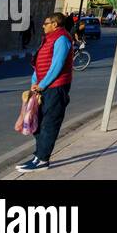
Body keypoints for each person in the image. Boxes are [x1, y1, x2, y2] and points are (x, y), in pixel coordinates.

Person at [16, 12, 75, 172]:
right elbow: (39, 65)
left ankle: (42, 160)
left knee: (49, 124)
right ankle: (38, 156)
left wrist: (42, 85)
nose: (43, 25)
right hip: (43, 87)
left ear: (55, 24)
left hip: (56, 88)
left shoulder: (62, 39)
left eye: (46, 23)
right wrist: (34, 82)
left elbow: (57, 65)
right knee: (37, 121)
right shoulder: (49, 39)